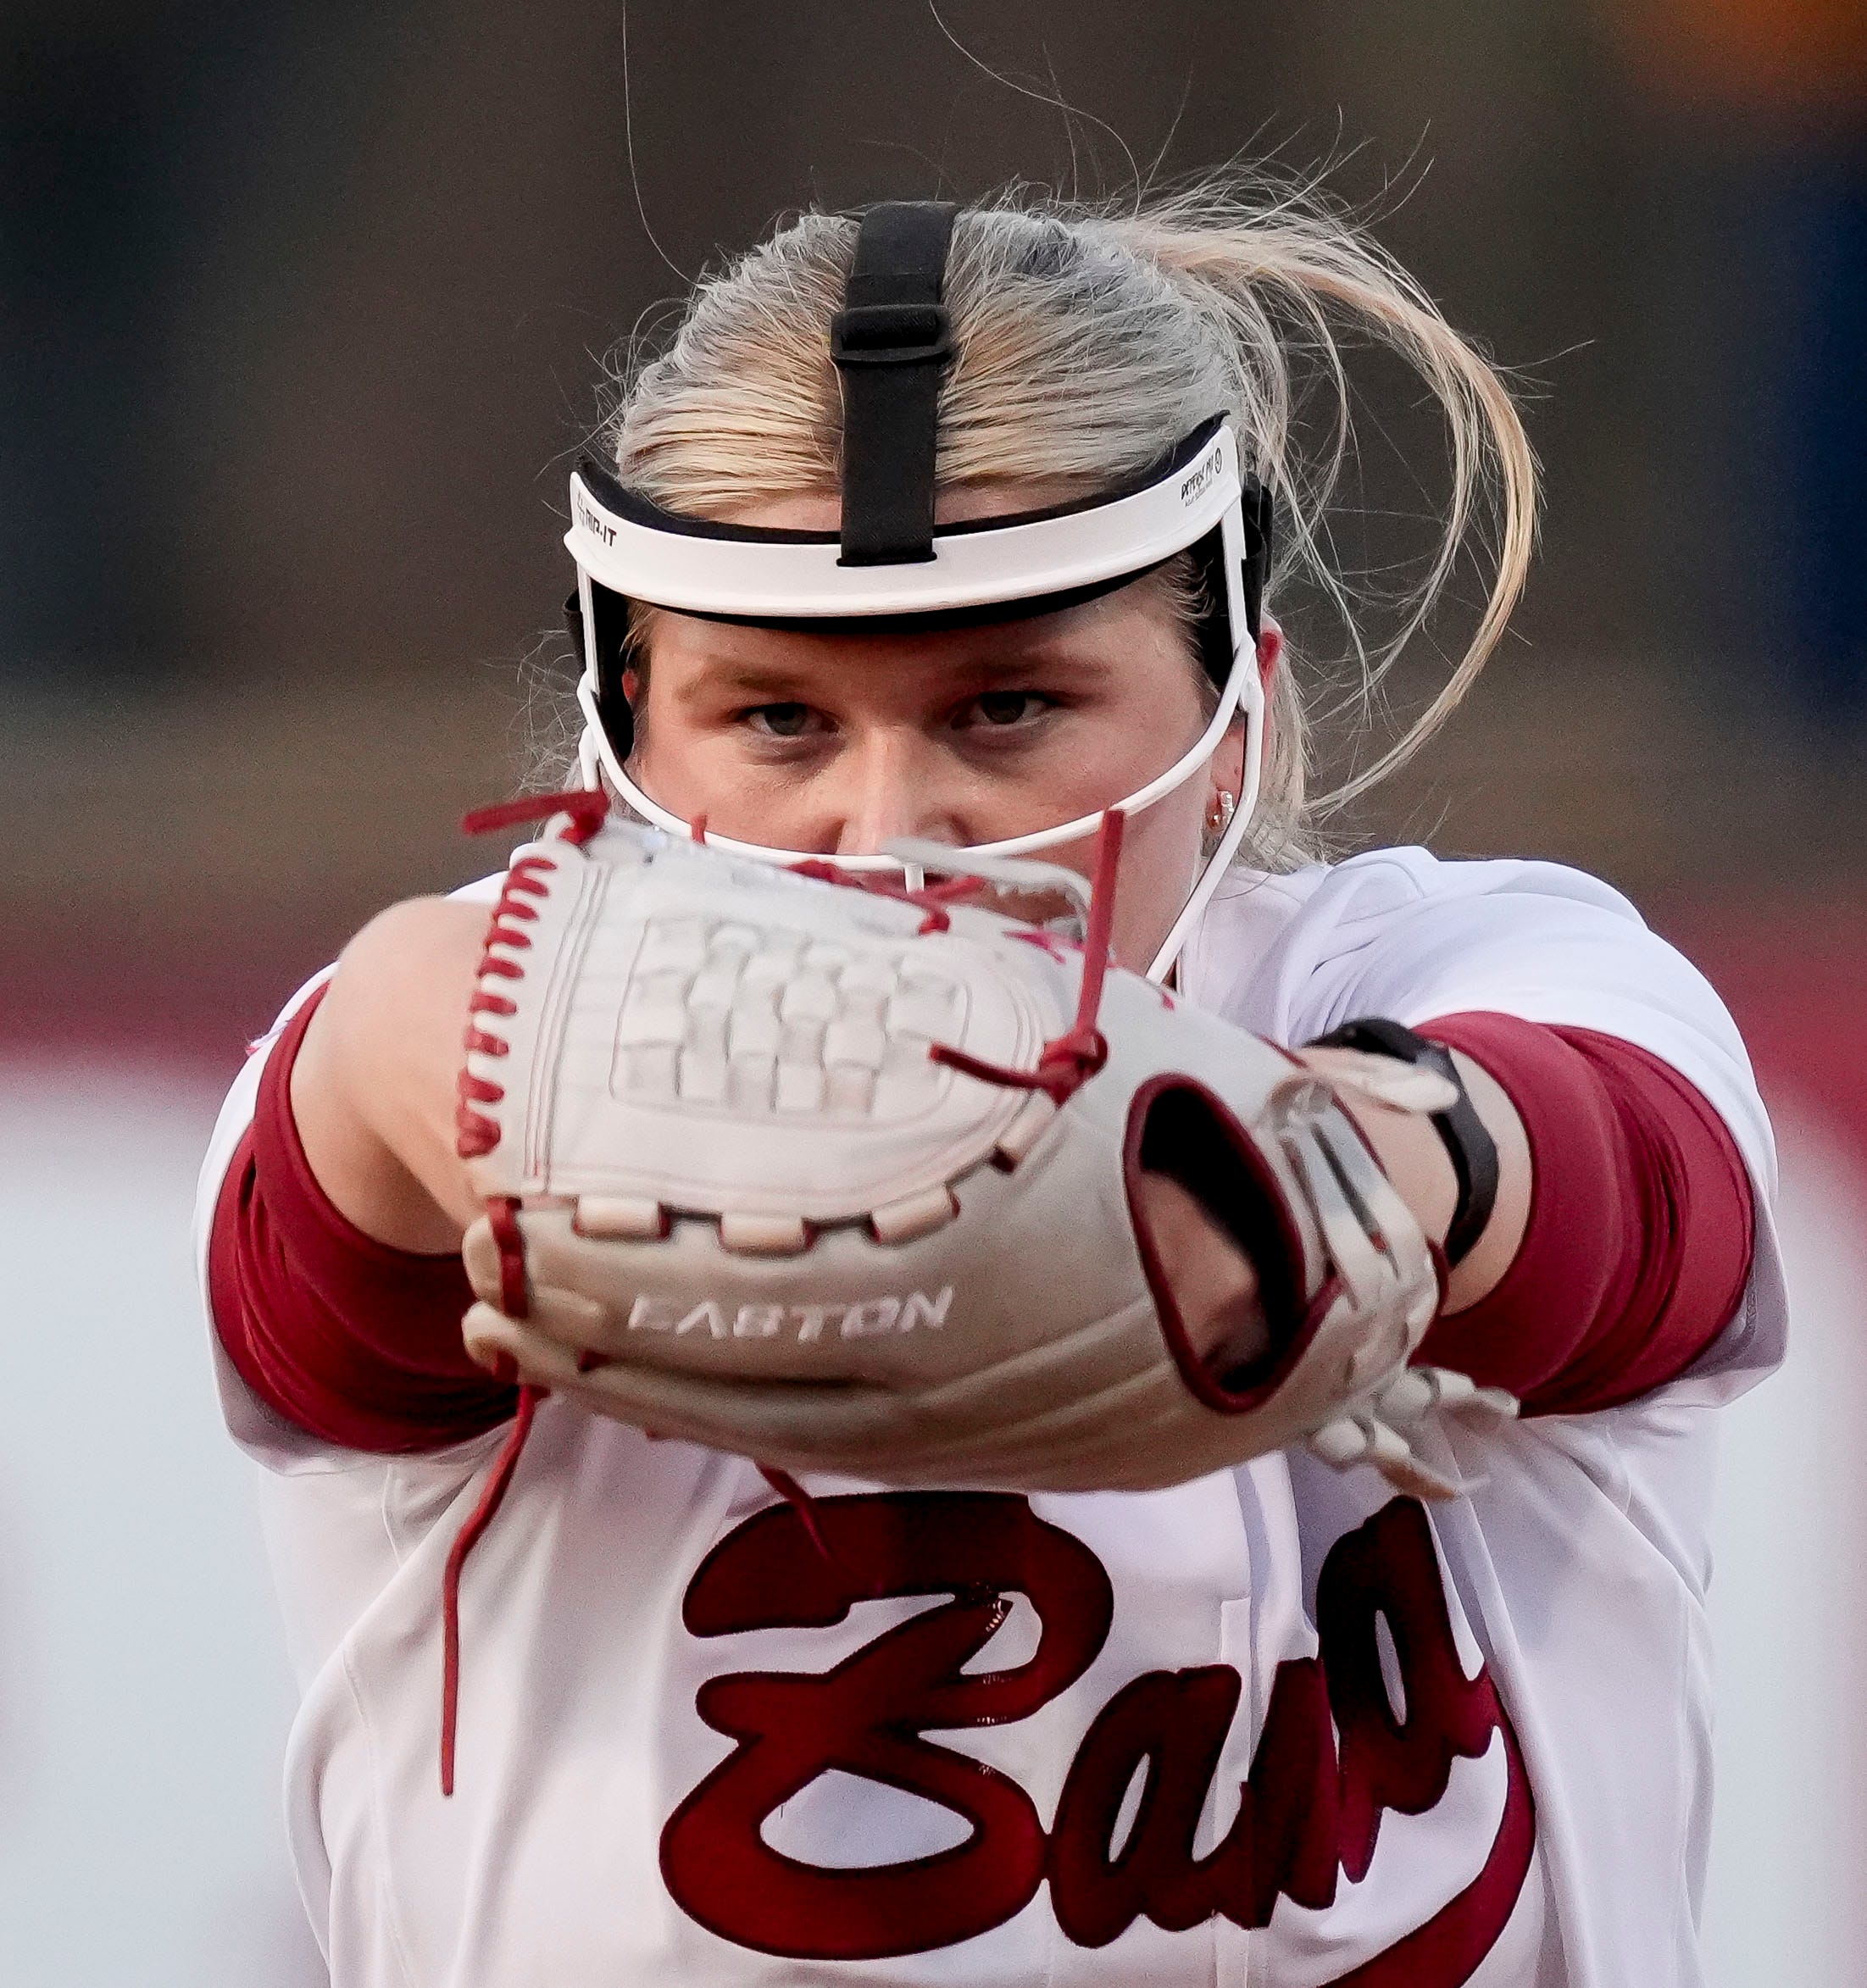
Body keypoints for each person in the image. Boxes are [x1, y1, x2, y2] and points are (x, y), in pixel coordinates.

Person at [197, 186, 1777, 1986]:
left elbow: (1624, 1189)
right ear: (621, 739)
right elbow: (382, 1072)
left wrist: (1331, 1187)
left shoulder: (1455, 974)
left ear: (1232, 713)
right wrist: (512, 1052)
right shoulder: (517, 1071)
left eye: (1007, 706)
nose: (889, 835)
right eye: (776, 719)